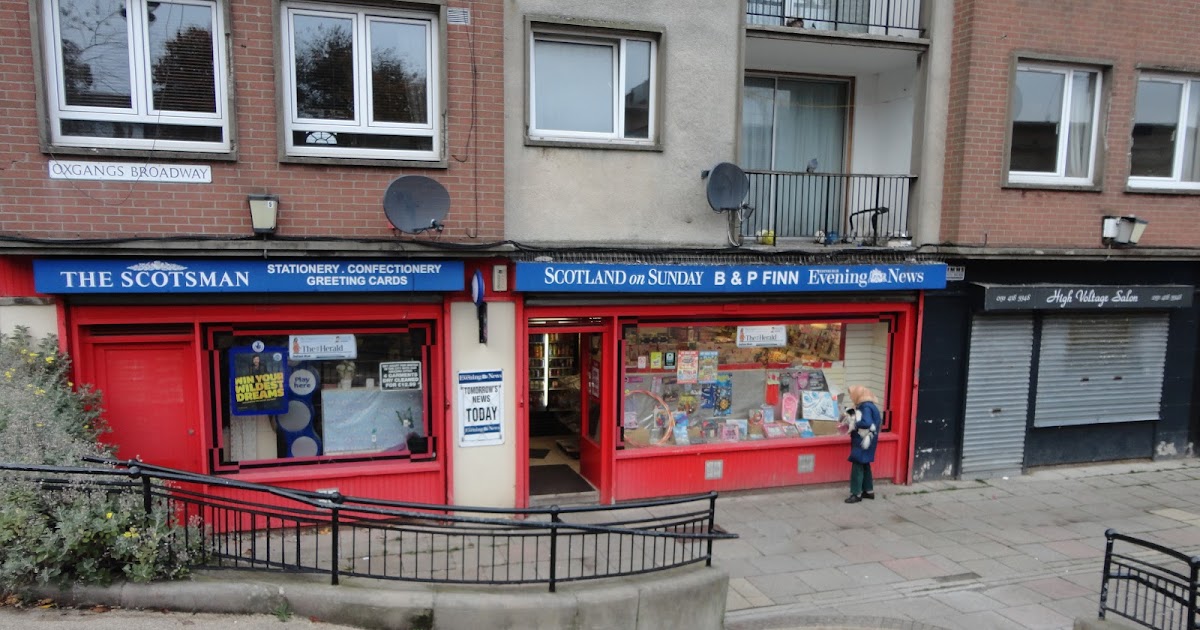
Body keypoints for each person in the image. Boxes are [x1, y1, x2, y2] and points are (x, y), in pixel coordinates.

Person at [844, 384, 881, 504]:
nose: (851, 397)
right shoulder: (871, 406)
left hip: (863, 440)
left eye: (852, 395)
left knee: (857, 466)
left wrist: (853, 423)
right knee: (865, 464)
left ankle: (856, 493)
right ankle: (868, 490)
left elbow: (866, 422)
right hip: (869, 439)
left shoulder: (865, 407)